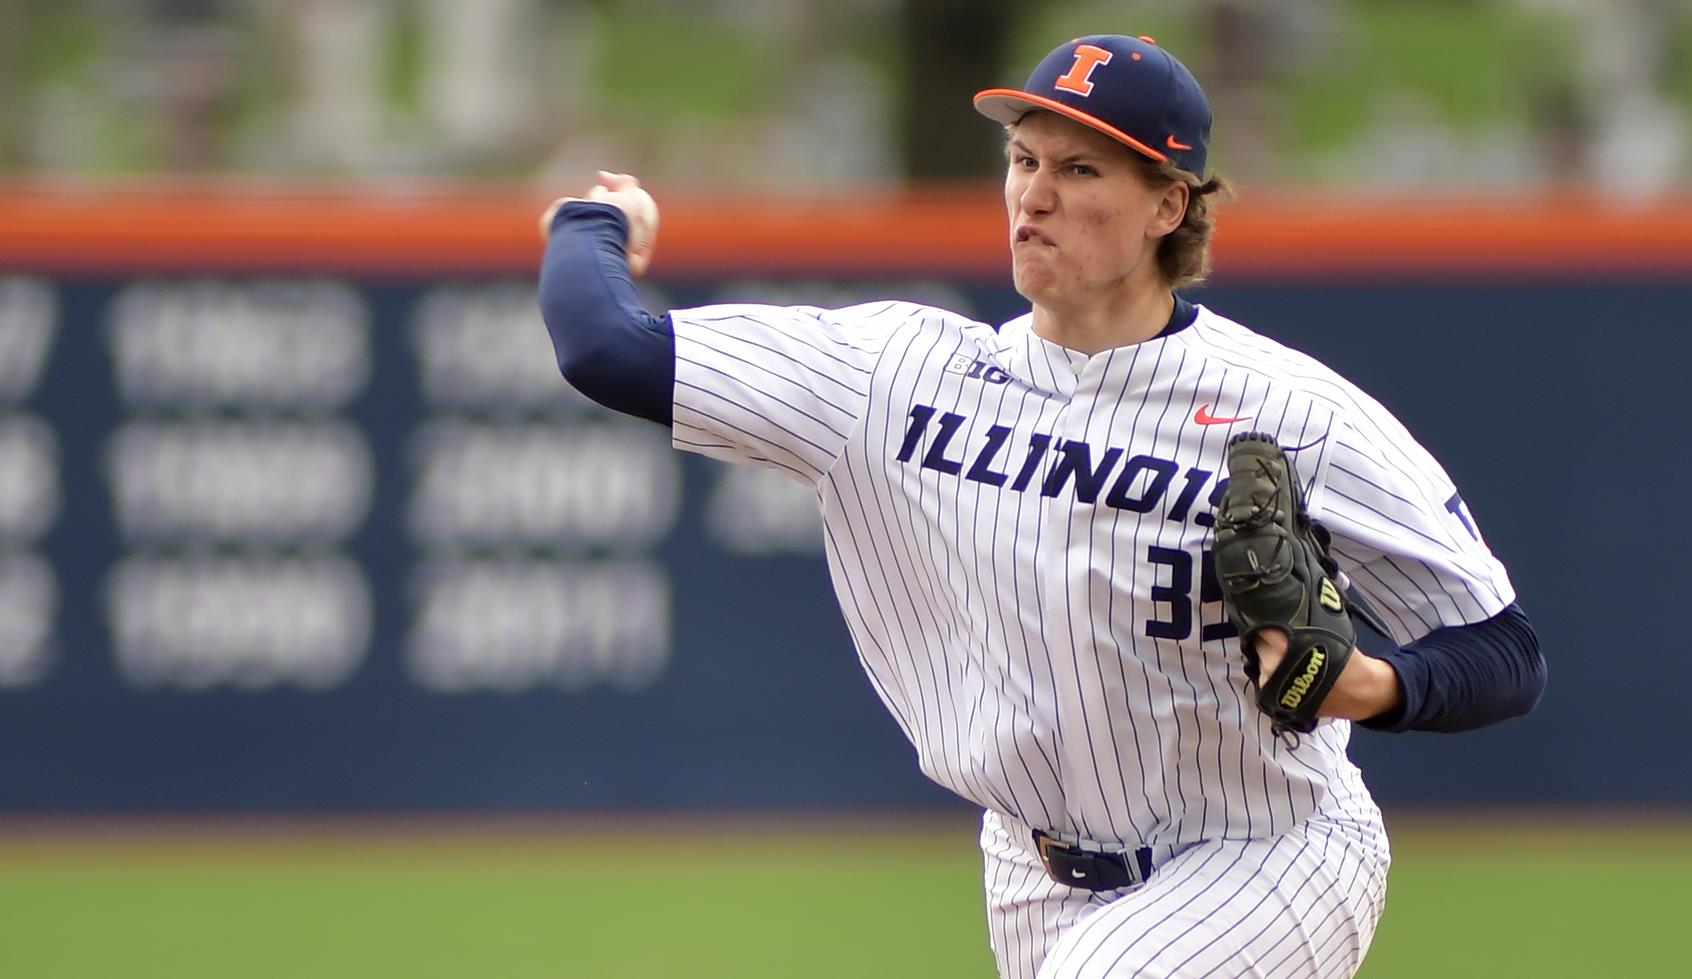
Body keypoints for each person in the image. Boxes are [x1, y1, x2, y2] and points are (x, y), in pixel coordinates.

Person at [538, 33, 1545, 979]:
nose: (1033, 196)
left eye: (1079, 171)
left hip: (1265, 852)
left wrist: (1370, 684)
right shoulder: (895, 373)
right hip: (1029, 872)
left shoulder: (1294, 412)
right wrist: (593, 225)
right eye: (1023, 161)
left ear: (1167, 205)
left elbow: (1502, 655)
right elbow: (606, 349)